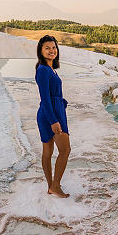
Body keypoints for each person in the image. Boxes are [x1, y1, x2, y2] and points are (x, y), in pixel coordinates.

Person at [35, 35, 71, 198]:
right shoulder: (42, 70)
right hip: (51, 113)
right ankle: (55, 186)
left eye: (54, 47)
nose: (52, 51)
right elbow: (45, 98)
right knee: (65, 150)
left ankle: (51, 186)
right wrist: (54, 120)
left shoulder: (50, 69)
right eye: (47, 48)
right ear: (41, 51)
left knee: (48, 152)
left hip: (52, 110)